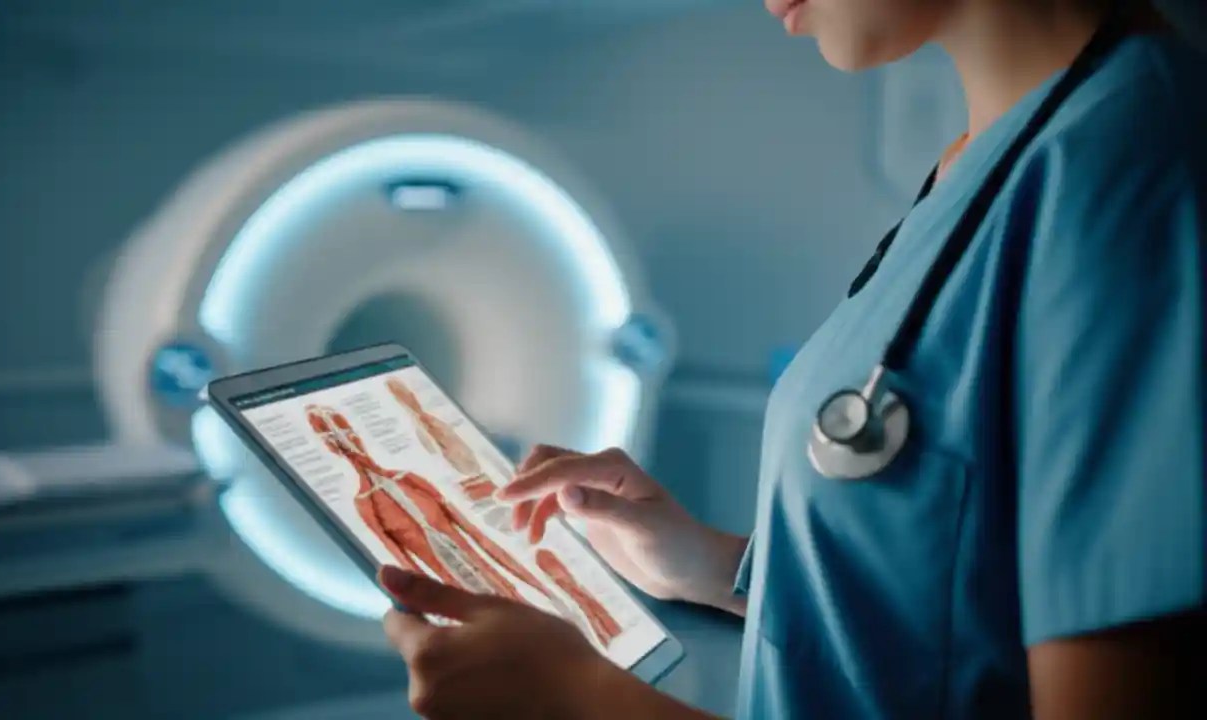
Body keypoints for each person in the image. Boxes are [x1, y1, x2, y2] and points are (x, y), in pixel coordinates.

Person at [377, 0, 1206, 717]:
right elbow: (953, 599)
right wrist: (714, 565)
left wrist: (589, 706)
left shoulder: (1130, 167)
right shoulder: (983, 162)